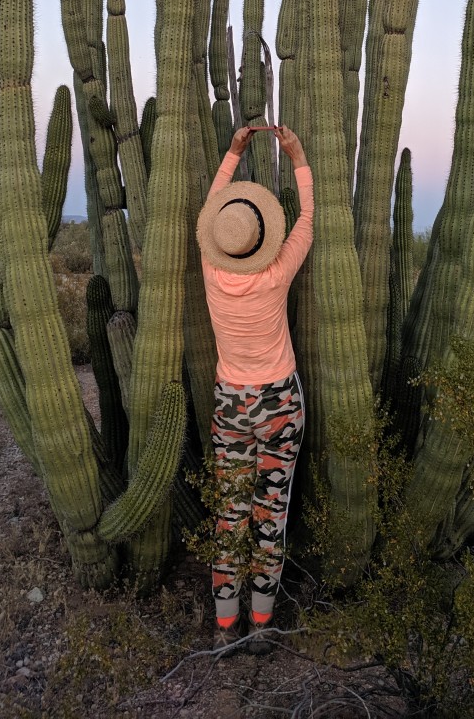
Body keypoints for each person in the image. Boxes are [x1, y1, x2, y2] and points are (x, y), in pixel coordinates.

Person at [195, 124, 313, 654]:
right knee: (271, 512)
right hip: (278, 404)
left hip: (230, 407)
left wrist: (232, 152)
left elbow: (212, 212)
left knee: (229, 514)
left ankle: (225, 627)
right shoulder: (275, 275)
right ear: (261, 239)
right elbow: (307, 221)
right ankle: (261, 623)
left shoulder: (210, 270)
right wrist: (297, 157)